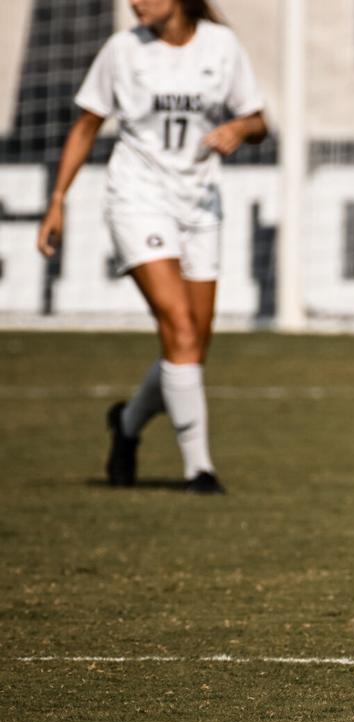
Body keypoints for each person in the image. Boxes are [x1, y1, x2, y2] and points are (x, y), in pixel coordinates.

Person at [37, 0, 267, 494]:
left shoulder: (221, 46)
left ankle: (127, 424)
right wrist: (57, 200)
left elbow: (258, 121)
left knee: (192, 345)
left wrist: (238, 128)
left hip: (200, 205)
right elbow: (85, 127)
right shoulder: (122, 51)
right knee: (180, 329)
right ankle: (199, 469)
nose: (135, 2)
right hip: (137, 199)